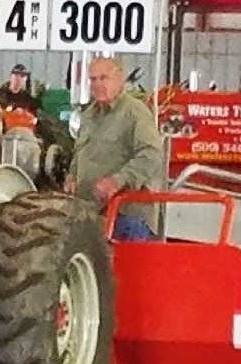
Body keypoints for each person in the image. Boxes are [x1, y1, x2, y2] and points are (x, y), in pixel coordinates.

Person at [64, 56, 165, 240]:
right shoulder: (87, 116)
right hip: (91, 214)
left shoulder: (135, 112)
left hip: (127, 215)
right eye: (93, 79)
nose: (97, 84)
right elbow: (79, 155)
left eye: (104, 78)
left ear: (120, 79)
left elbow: (151, 154)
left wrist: (118, 181)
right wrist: (72, 177)